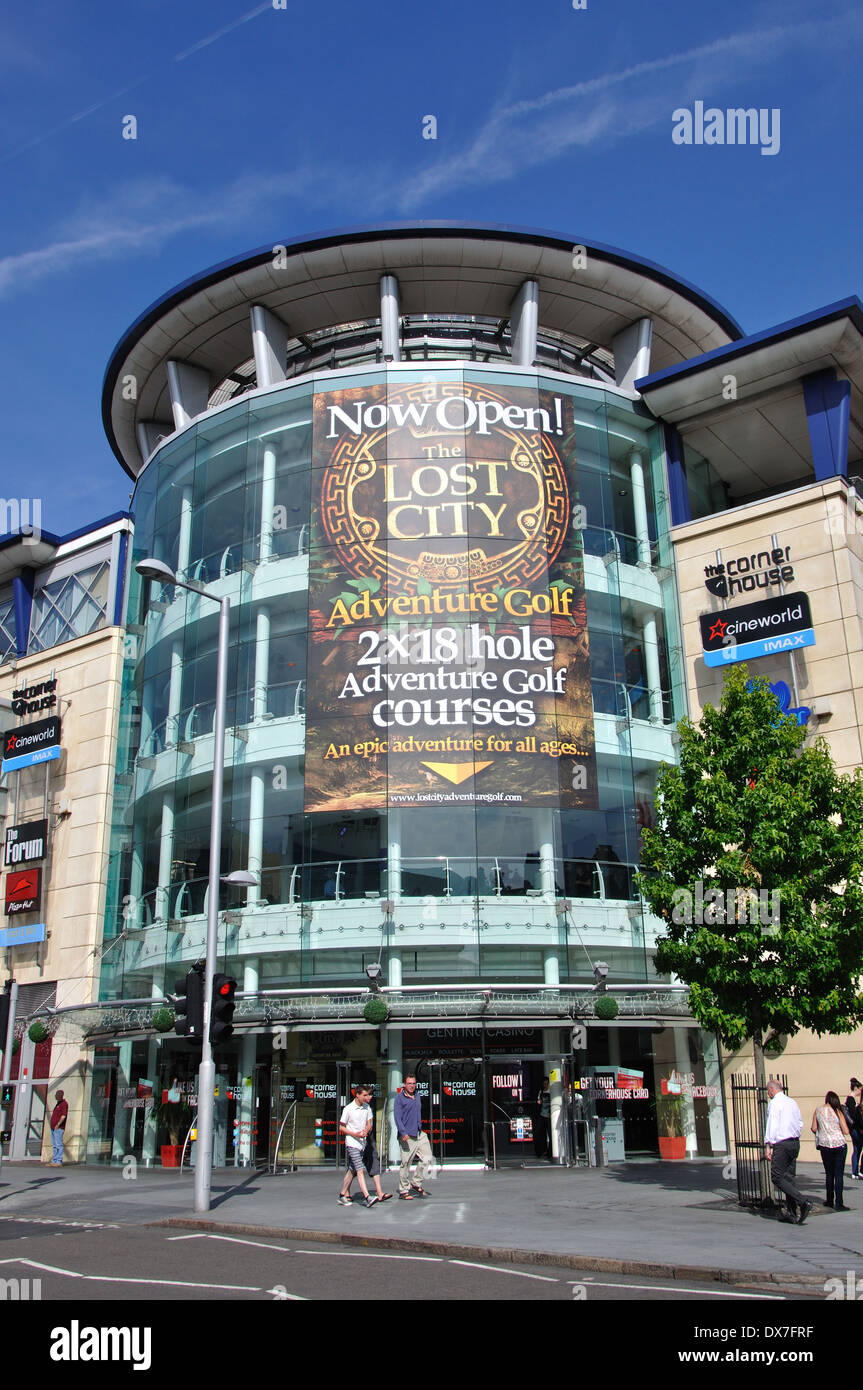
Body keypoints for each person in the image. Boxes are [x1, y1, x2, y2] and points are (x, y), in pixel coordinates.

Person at [764, 1079, 811, 1224]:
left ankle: (802, 1202)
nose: (768, 1094)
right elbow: (800, 1123)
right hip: (794, 1142)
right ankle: (791, 1212)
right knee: (789, 1178)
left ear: (772, 1089)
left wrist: (768, 1145)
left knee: (776, 1176)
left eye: (768, 1091)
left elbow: (772, 1124)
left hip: (782, 1143)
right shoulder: (792, 1102)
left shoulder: (775, 1103)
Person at [337, 1084, 377, 1208]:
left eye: (368, 1095)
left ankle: (342, 1194)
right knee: (360, 1169)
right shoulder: (348, 1109)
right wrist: (354, 1134)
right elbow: (341, 1127)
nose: (367, 1097)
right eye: (364, 1095)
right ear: (357, 1095)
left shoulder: (367, 1107)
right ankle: (367, 1197)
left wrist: (366, 1130)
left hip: (362, 1143)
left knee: (352, 1169)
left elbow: (369, 1123)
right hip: (352, 1143)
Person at [811, 1091, 851, 1211]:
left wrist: (823, 1131)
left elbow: (813, 1128)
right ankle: (839, 1203)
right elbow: (846, 1131)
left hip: (825, 1145)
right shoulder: (838, 1111)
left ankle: (829, 1200)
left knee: (829, 1174)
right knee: (839, 1175)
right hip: (839, 1145)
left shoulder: (818, 1110)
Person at [394, 1072, 432, 1200]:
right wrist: (402, 1132)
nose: (412, 1086)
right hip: (407, 1135)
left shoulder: (417, 1095)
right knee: (406, 1163)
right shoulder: (399, 1098)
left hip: (419, 1133)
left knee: (427, 1157)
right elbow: (397, 1117)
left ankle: (415, 1183)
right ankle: (403, 1190)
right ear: (404, 1085)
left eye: (414, 1083)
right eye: (409, 1083)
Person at [844, 1078, 862, 1180]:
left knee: (857, 1149)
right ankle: (856, 1172)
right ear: (856, 1088)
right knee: (857, 1149)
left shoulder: (850, 1099)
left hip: (853, 1129)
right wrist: (857, 1108)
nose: (860, 1092)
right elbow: (854, 1116)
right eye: (860, 1090)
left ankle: (855, 1172)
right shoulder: (851, 1099)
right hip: (854, 1129)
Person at [535, 1076, 552, 1161]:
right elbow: (539, 1101)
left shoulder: (552, 1091)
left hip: (548, 1116)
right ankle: (540, 1151)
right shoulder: (541, 1092)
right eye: (544, 1084)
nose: (545, 1085)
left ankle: (550, 1153)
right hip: (542, 1115)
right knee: (538, 1133)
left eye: (546, 1084)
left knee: (550, 1134)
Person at [50, 1089, 68, 1166]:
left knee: (58, 1144)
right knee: (54, 1145)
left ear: (60, 1095)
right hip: (53, 1128)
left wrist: (58, 1124)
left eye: (57, 1095)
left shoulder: (64, 1104)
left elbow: (63, 1116)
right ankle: (54, 1160)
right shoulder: (58, 1104)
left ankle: (59, 1160)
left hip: (58, 1128)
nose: (55, 1096)